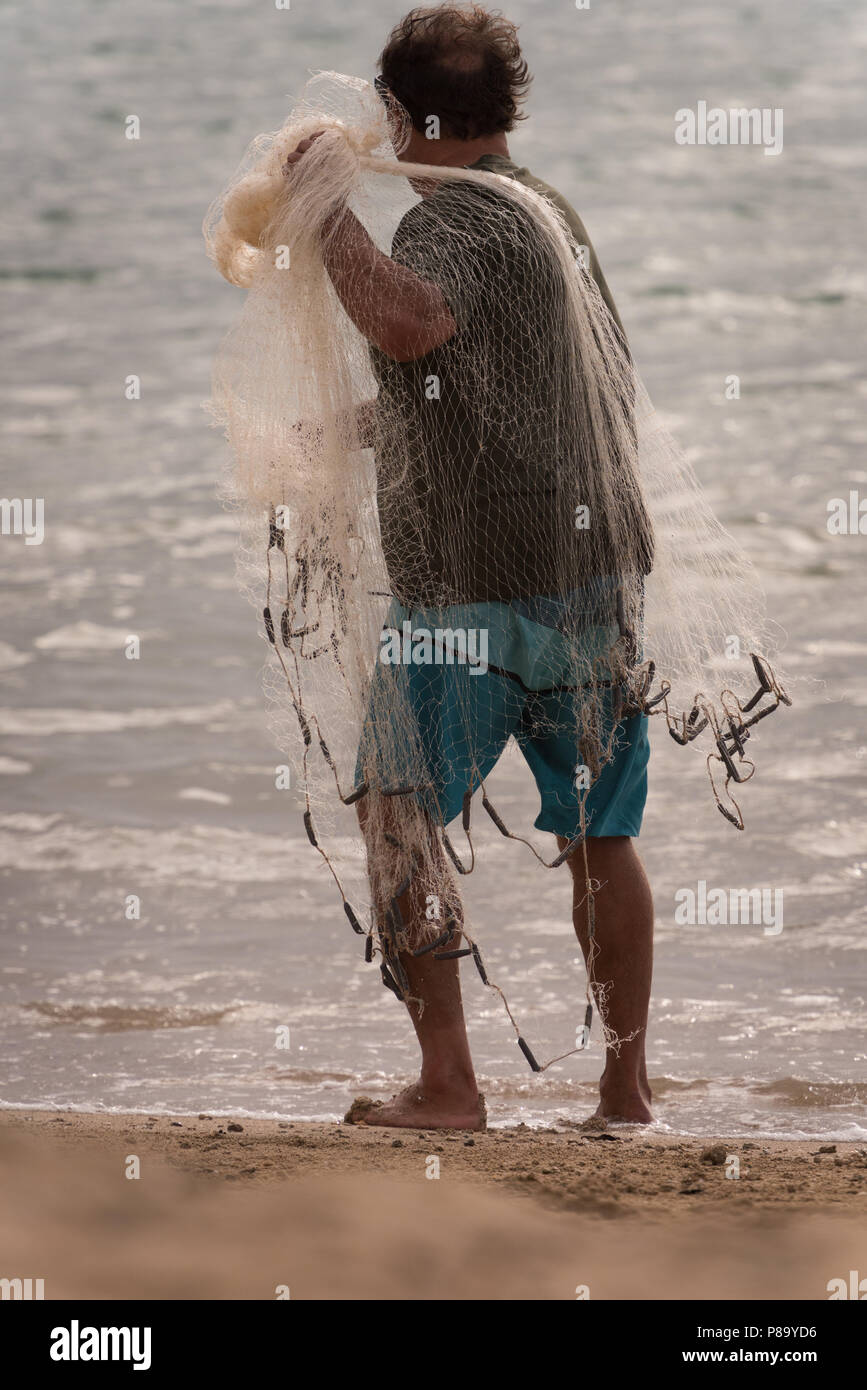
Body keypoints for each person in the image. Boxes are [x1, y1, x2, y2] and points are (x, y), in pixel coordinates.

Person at [284, 4, 654, 1129]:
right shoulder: (547, 209)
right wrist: (357, 427)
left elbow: (409, 325)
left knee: (397, 812)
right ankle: (626, 1089)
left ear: (400, 115)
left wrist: (325, 212)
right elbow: (480, 382)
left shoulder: (451, 230)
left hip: (476, 593)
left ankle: (448, 1086)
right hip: (594, 582)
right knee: (601, 832)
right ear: (506, 110)